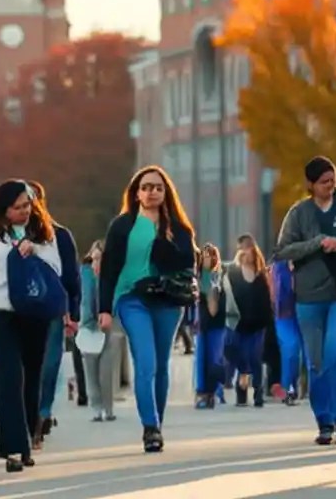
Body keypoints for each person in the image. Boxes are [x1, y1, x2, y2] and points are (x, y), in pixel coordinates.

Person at [273, 156, 336, 446]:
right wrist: (317, 243)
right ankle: (325, 421)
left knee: (335, 353)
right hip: (308, 299)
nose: (330, 186)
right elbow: (282, 251)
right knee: (316, 361)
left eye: (333, 180)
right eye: (323, 182)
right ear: (310, 184)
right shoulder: (299, 214)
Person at [0, 180, 65, 473]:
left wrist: (36, 250)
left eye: (27, 205)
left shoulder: (42, 232)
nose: (24, 211)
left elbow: (56, 268)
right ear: (2, 209)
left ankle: (29, 436)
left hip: (33, 313)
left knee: (32, 377)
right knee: (10, 376)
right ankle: (13, 448)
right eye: (17, 207)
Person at [99, 165, 196, 454]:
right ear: (136, 193)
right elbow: (109, 269)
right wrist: (104, 308)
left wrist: (164, 243)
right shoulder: (122, 226)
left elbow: (186, 266)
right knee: (146, 362)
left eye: (157, 187)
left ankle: (157, 423)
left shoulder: (178, 228)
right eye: (145, 187)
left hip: (167, 301)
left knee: (162, 365)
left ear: (166, 192)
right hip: (132, 299)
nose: (151, 192)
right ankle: (149, 427)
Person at [27, 181, 81, 449]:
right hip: (19, 308)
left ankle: (43, 412)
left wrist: (74, 312)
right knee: (25, 366)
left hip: (52, 308)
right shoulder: (5, 237)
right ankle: (28, 415)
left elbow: (72, 276)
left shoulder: (59, 235)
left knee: (49, 365)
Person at [222, 235, 274, 408]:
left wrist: (268, 320)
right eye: (241, 249)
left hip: (258, 323)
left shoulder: (261, 274)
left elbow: (266, 300)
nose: (245, 252)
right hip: (238, 323)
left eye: (247, 248)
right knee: (238, 354)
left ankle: (258, 391)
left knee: (255, 357)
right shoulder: (232, 273)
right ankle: (242, 385)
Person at [79, 240, 124, 422]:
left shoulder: (112, 278)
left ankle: (108, 408)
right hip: (88, 326)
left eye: (99, 259)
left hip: (108, 327)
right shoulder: (85, 275)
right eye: (94, 259)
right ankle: (96, 408)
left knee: (106, 370)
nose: (95, 263)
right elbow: (83, 300)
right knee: (90, 371)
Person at [194, 244, 228, 410]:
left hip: (217, 323)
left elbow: (214, 308)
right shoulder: (197, 278)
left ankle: (215, 392)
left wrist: (211, 293)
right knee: (201, 359)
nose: (207, 259)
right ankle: (201, 393)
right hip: (201, 323)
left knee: (215, 359)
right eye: (205, 255)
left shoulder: (219, 277)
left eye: (211, 255)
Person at [270, 255, 303, 405]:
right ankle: (288, 388)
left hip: (305, 311)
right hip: (284, 314)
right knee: (290, 349)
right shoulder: (278, 266)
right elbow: (273, 291)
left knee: (304, 355)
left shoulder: (306, 261)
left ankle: (297, 387)